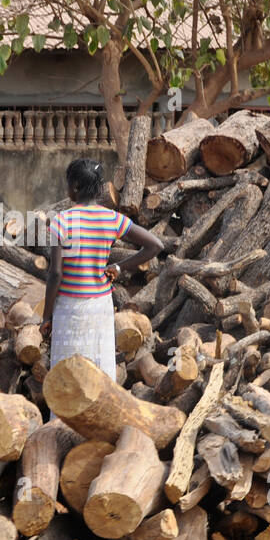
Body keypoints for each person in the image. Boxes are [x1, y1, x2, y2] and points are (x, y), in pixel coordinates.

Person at [42, 158, 163, 380]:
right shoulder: (112, 219)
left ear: (75, 187)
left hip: (70, 309)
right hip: (100, 306)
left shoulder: (61, 222)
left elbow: (55, 274)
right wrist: (119, 266)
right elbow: (155, 245)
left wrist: (46, 316)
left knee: (68, 376)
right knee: (99, 371)